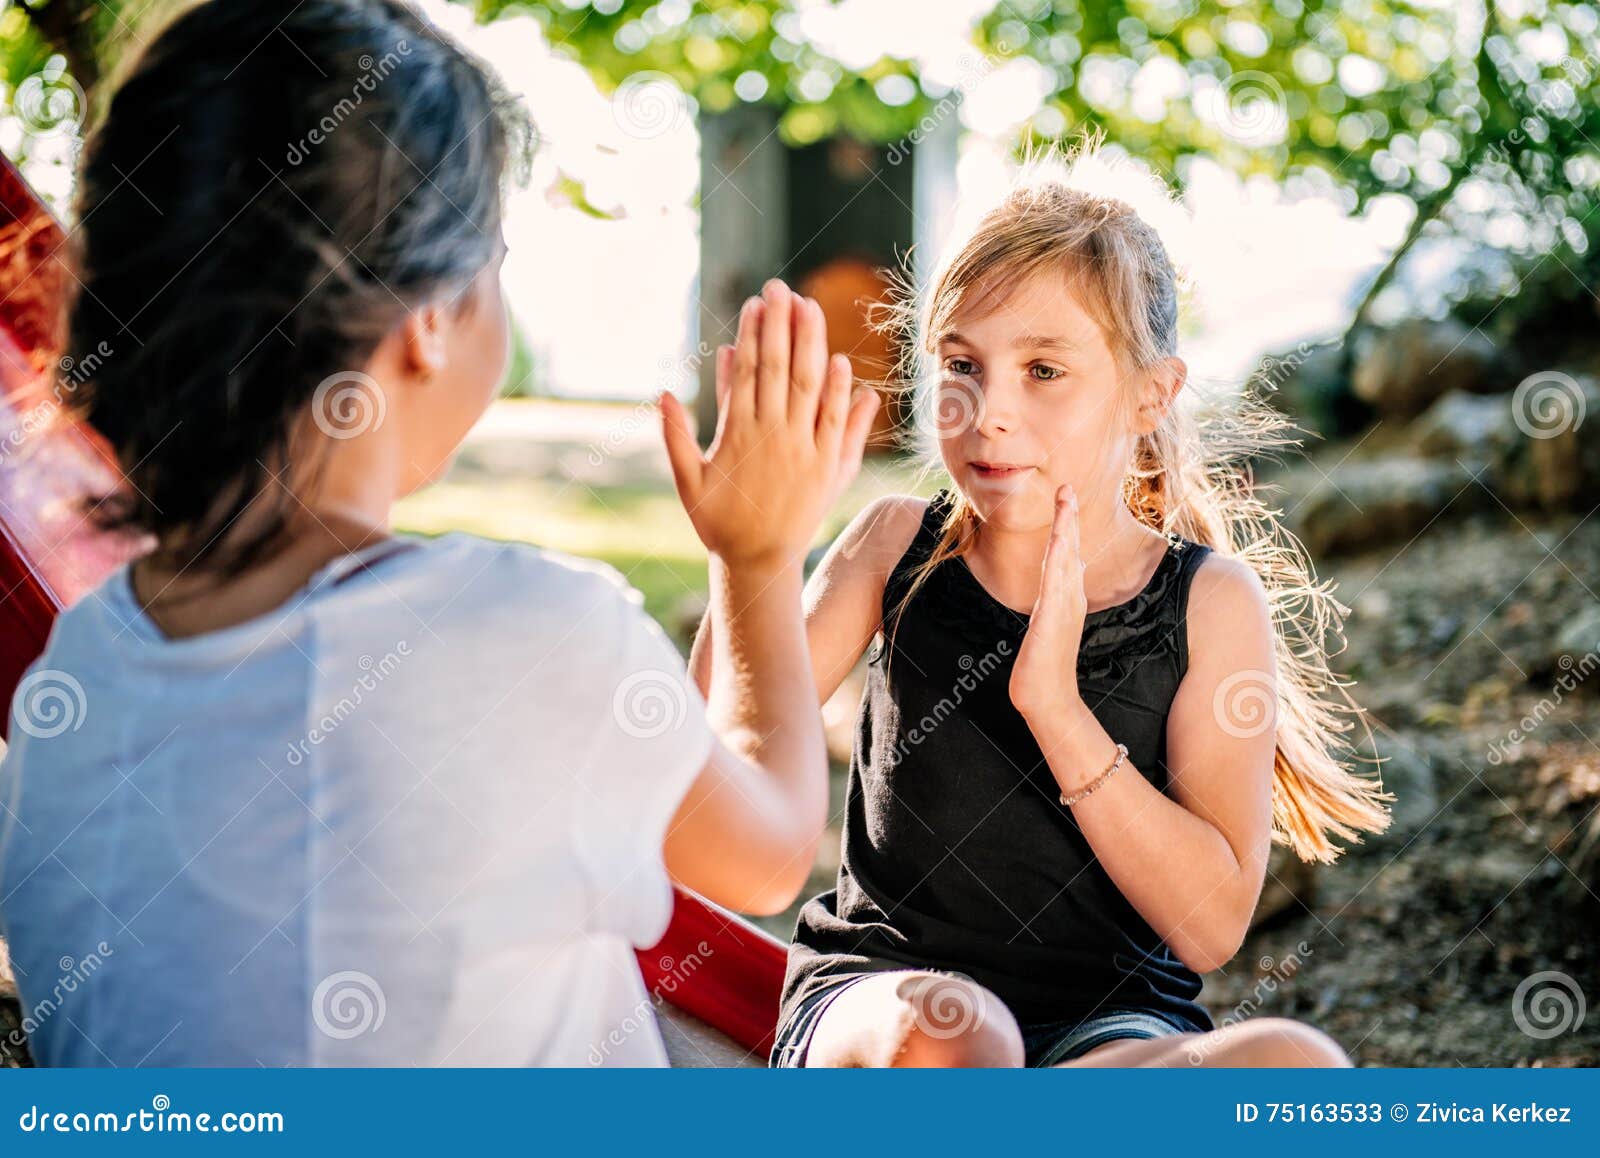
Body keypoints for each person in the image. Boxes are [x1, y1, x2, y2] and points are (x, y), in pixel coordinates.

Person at [0, 0, 877, 1066]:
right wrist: (758, 557)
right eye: (494, 258)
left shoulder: (69, 686)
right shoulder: (523, 634)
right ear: (428, 319)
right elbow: (771, 852)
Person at [691, 142, 1394, 1068]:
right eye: (962, 365)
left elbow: (1213, 926)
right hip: (884, 1001)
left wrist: (1055, 708)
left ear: (1151, 396)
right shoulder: (893, 546)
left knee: (1299, 1065)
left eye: (1044, 371)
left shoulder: (1209, 604)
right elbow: (709, 762)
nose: (989, 412)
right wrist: (746, 556)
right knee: (957, 1035)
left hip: (1107, 1034)